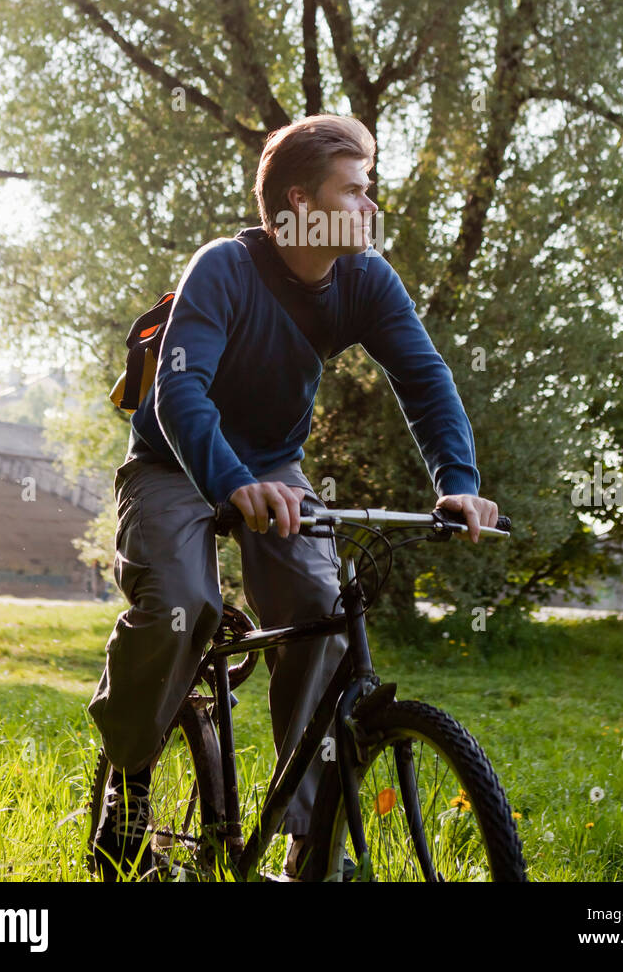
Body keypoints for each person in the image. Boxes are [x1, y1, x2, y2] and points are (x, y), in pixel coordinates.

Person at [88, 114, 499, 881]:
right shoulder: (224, 269)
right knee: (182, 602)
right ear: (302, 202)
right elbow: (180, 393)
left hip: (275, 467)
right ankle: (129, 777)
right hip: (173, 464)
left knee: (317, 607)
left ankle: (311, 845)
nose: (373, 206)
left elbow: (426, 381)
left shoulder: (366, 280)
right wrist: (231, 482)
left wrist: (460, 485)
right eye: (357, 189)